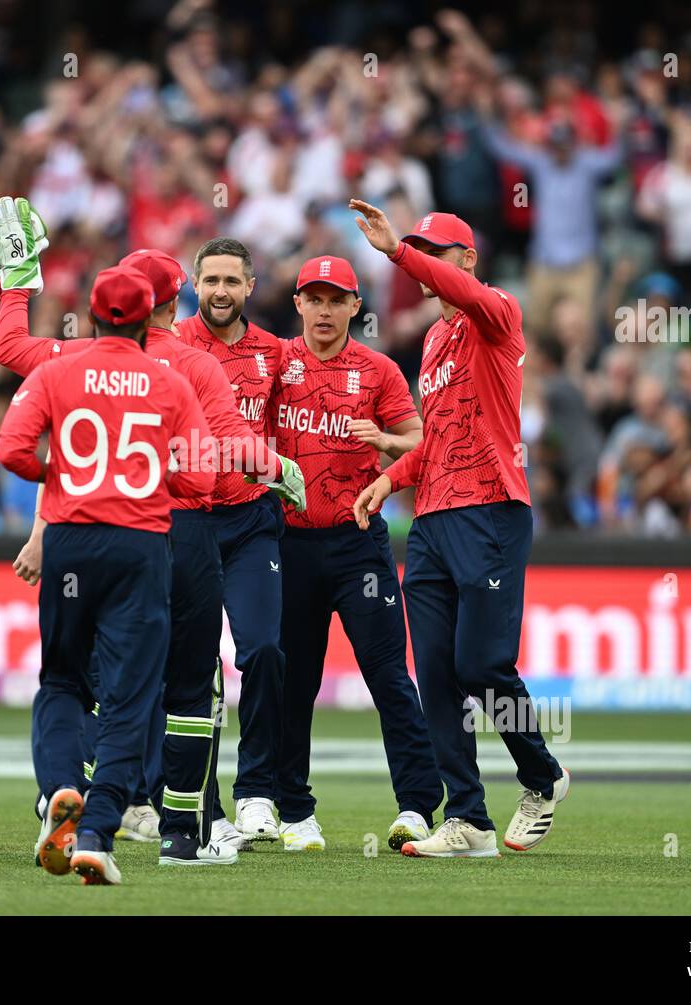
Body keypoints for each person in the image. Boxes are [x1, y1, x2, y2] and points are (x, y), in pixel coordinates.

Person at [0, 197, 302, 863]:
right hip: (173, 535)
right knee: (187, 687)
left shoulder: (70, 355)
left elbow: (10, 351)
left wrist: (17, 283)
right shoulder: (193, 365)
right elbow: (222, 456)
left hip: (83, 534)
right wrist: (276, 466)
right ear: (170, 302)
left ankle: (63, 793)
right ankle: (184, 831)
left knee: (76, 680)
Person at [350, 200, 568, 858]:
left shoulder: (497, 312)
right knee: (438, 673)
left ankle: (542, 775)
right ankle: (468, 818)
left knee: (482, 665)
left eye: (433, 256)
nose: (424, 271)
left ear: (466, 260)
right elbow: (437, 441)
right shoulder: (434, 341)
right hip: (431, 521)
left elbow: (465, 293)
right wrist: (389, 478)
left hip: (492, 509)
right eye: (420, 258)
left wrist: (394, 251)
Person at [0, 264, 217, 886]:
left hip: (70, 541)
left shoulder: (56, 370)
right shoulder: (169, 381)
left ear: (91, 315)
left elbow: (12, 449)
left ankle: (61, 786)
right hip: (141, 546)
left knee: (63, 679)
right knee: (132, 697)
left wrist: (60, 477)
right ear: (150, 320)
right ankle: (96, 835)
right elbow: (201, 477)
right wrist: (149, 478)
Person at [270, 255, 442, 853]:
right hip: (289, 542)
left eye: (335, 299)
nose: (323, 309)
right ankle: (294, 810)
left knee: (389, 675)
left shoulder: (379, 371)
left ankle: (418, 807)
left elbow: (424, 442)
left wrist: (387, 441)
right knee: (295, 682)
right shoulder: (274, 364)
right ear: (297, 304)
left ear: (354, 307)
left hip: (358, 542)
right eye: (313, 298)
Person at [175, 237, 290, 842]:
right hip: (185, 521)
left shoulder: (276, 353)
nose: (220, 291)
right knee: (194, 667)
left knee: (265, 651)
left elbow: (301, 428)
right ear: (194, 283)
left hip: (250, 523)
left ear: (250, 286)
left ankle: (257, 794)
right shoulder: (166, 347)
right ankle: (199, 802)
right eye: (210, 280)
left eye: (231, 281)